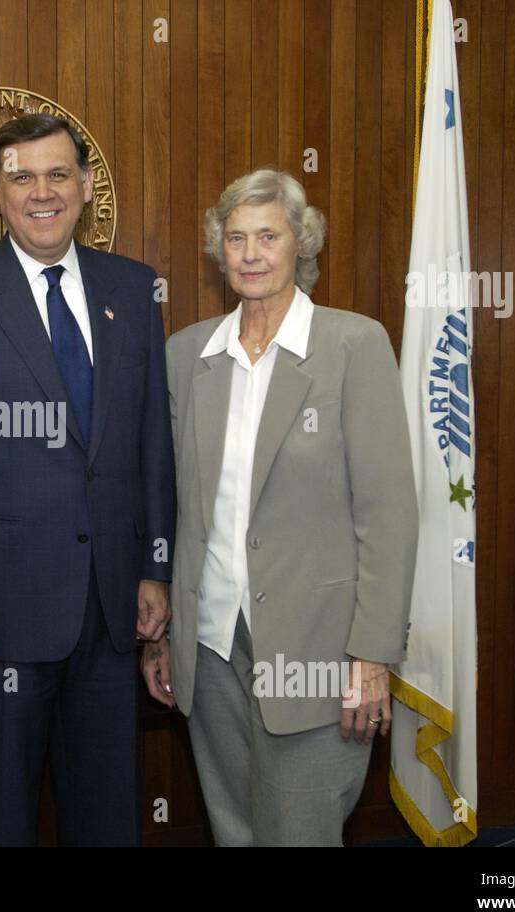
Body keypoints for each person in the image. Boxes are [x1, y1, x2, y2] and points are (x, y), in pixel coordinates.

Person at [0, 114, 176, 846]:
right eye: (22, 176)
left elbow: (151, 441)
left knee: (107, 815)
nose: (42, 192)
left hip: (112, 611)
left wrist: (155, 567)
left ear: (85, 187)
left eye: (59, 174)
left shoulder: (134, 288)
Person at [147, 168, 418, 845]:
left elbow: (388, 512)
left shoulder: (354, 345)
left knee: (301, 828)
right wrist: (164, 633)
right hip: (211, 647)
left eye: (268, 235)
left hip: (320, 648)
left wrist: (373, 654)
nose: (250, 253)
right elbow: (169, 501)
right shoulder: (187, 355)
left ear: (301, 242)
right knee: (234, 828)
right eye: (235, 237)